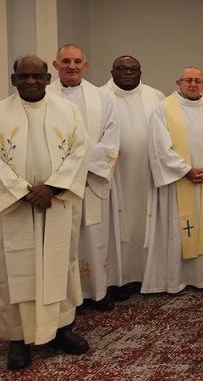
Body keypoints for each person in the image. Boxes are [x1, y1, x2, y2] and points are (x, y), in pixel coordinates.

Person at [0, 56, 89, 370]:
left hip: (57, 202)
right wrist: (22, 190)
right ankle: (18, 338)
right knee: (15, 269)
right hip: (16, 205)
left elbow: (80, 151)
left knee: (59, 262)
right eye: (23, 76)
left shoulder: (68, 111)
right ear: (14, 79)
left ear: (48, 79)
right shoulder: (0, 111)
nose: (30, 81)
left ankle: (62, 328)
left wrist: (52, 187)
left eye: (37, 76)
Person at [47, 44, 120, 310]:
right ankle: (66, 297)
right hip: (58, 184)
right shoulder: (45, 96)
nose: (72, 66)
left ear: (85, 65)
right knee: (62, 240)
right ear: (56, 65)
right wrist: (66, 175)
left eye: (77, 61)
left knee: (94, 237)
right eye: (66, 61)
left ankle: (96, 292)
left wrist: (83, 170)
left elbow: (111, 138)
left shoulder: (102, 97)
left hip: (91, 180)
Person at [143, 67, 203, 294]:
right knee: (176, 230)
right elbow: (159, 147)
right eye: (188, 80)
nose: (193, 84)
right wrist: (185, 170)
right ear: (178, 83)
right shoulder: (163, 109)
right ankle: (176, 280)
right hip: (177, 182)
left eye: (197, 81)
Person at [101, 55, 165, 300]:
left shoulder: (155, 96)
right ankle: (116, 280)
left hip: (148, 174)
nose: (128, 72)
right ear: (112, 72)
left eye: (133, 69)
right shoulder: (101, 97)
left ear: (140, 72)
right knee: (115, 227)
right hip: (113, 175)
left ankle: (147, 276)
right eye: (122, 68)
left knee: (145, 223)